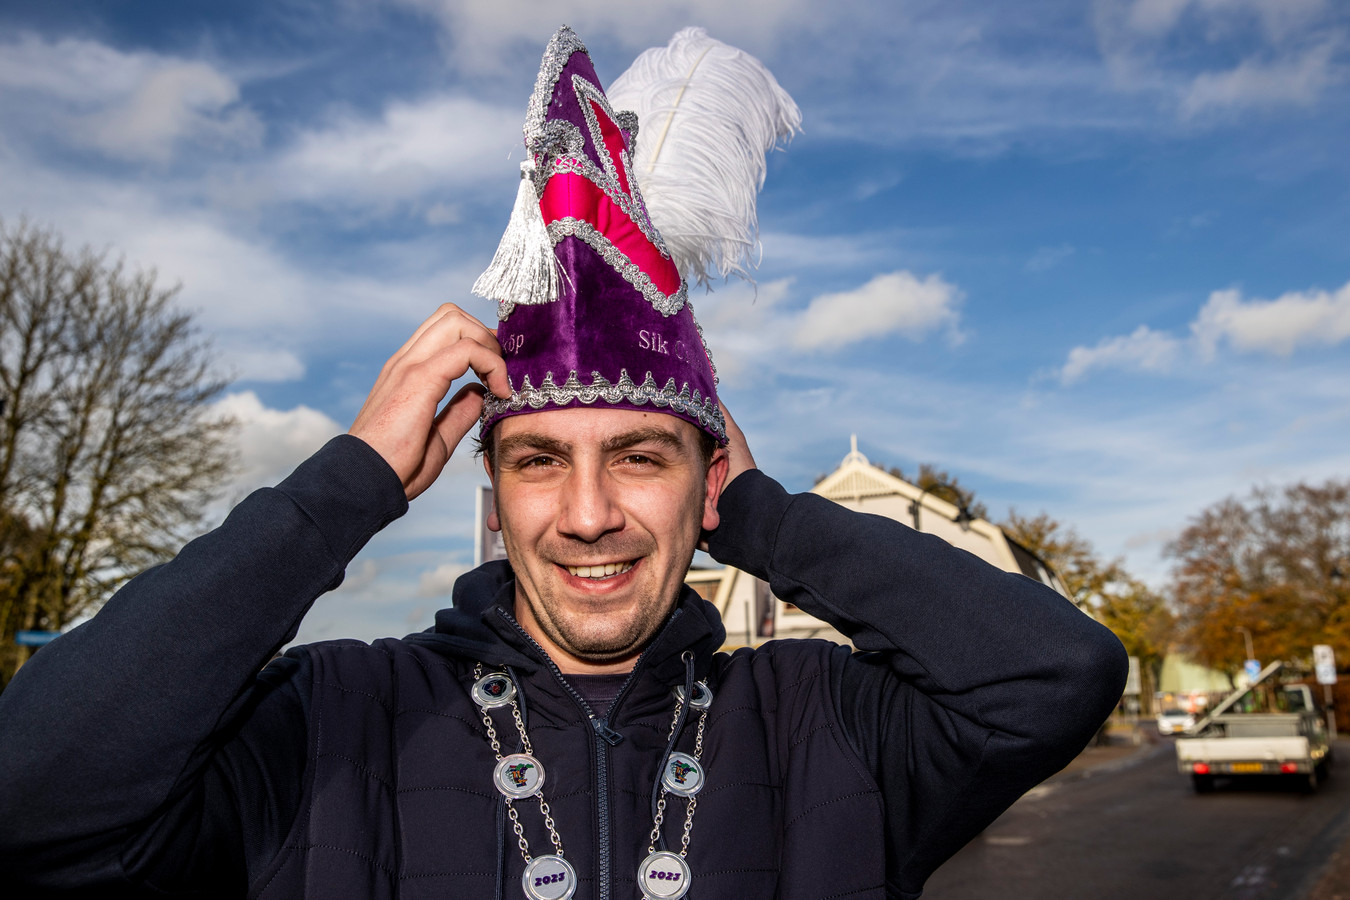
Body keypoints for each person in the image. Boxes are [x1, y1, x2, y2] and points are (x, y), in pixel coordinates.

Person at [0, 27, 1127, 900]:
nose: (588, 515)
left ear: (708, 479)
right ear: (490, 495)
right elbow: (34, 797)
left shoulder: (824, 723)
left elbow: (1054, 677)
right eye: (539, 460)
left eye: (640, 456)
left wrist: (772, 522)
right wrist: (341, 489)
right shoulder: (334, 717)